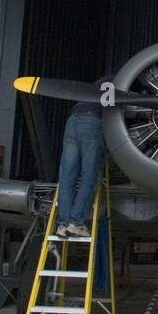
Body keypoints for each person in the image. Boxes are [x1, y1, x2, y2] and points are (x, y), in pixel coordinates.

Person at [55, 87, 106, 238]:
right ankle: (76, 224)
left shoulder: (99, 84)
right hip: (91, 122)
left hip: (72, 121)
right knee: (89, 177)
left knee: (67, 178)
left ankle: (63, 225)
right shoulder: (123, 82)